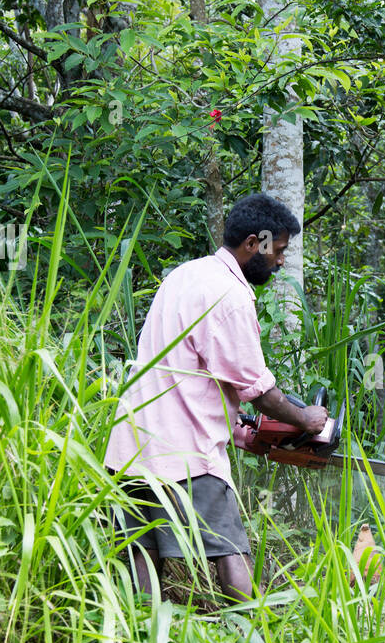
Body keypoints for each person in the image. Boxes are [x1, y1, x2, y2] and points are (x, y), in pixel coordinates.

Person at [104, 193, 327, 602]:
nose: (280, 262)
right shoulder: (229, 295)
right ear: (252, 244)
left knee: (141, 560)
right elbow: (260, 393)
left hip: (133, 442)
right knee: (232, 561)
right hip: (185, 452)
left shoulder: (185, 275)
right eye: (277, 251)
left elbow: (195, 371)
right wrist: (307, 420)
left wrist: (244, 435)